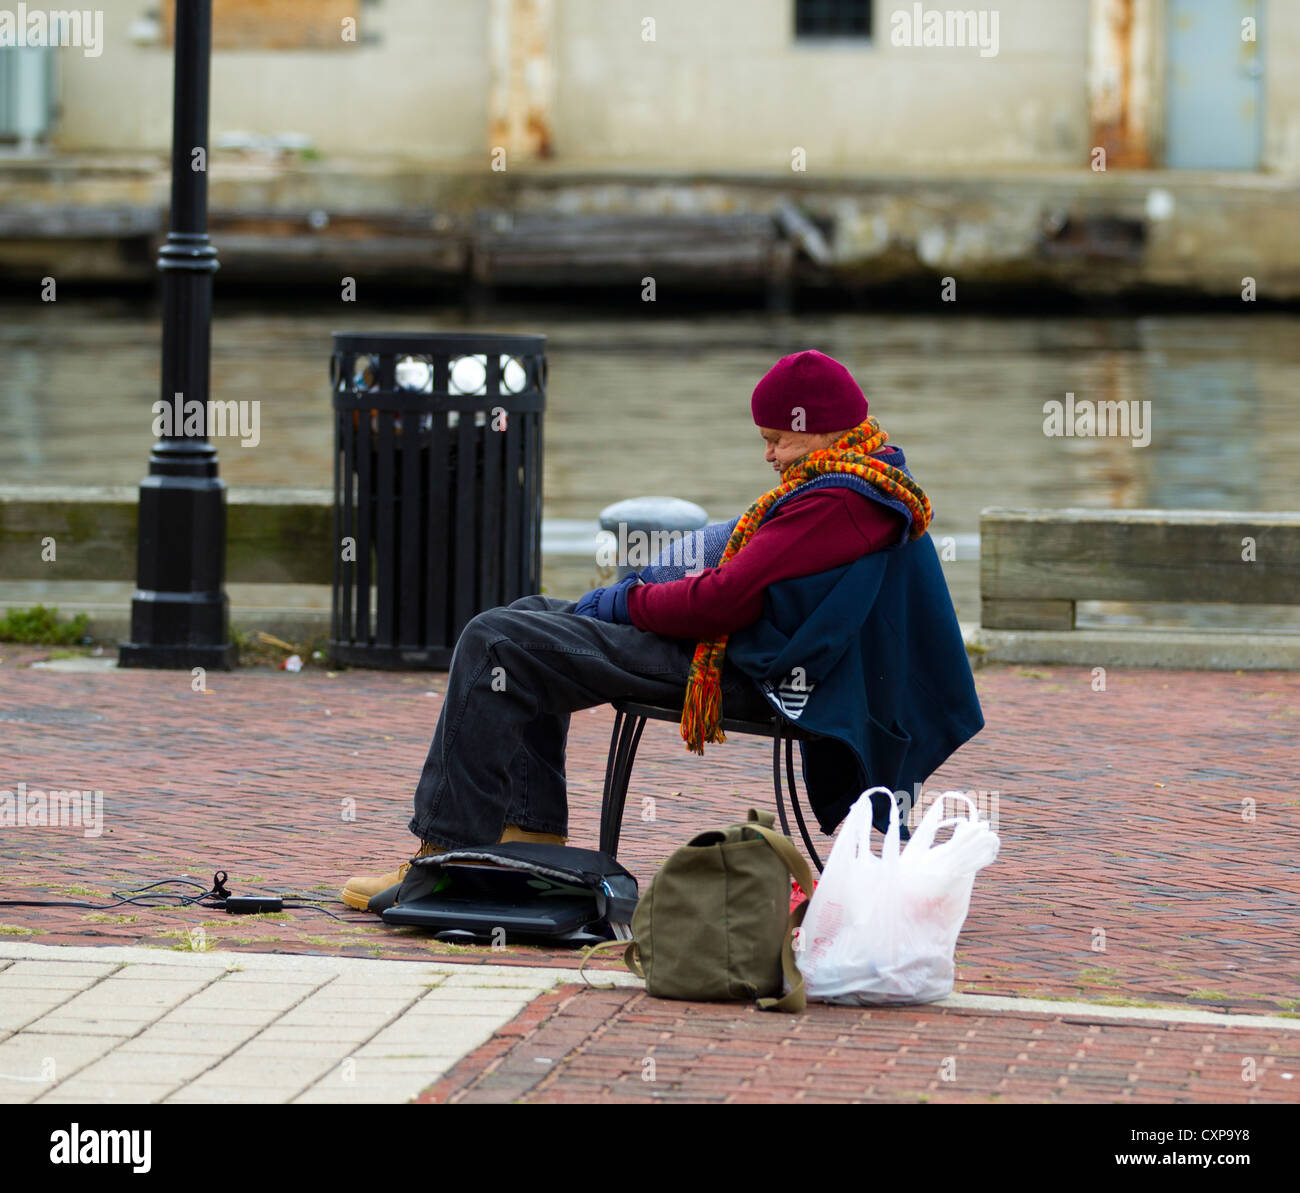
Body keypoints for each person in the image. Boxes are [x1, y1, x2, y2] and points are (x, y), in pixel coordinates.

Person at [341, 349, 983, 912]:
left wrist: (627, 601)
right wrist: (627, 602)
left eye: (776, 440)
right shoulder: (869, 474)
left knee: (498, 639)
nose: (768, 456)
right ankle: (527, 832)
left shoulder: (839, 501)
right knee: (530, 614)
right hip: (762, 653)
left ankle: (442, 859)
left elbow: (724, 603)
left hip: (753, 673)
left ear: (814, 429)